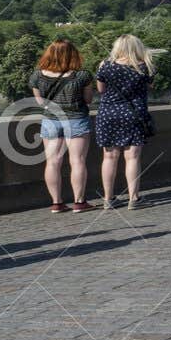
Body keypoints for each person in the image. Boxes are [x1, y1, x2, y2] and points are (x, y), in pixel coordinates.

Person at [30, 38, 96, 212]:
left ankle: (57, 203)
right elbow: (88, 100)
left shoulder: (37, 75)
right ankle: (79, 202)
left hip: (50, 120)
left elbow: (40, 102)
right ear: (73, 53)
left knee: (52, 162)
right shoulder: (82, 75)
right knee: (77, 161)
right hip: (76, 119)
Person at [95, 34, 154, 211]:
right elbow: (150, 86)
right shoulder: (144, 66)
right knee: (132, 157)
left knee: (109, 157)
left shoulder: (105, 65)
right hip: (133, 114)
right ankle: (134, 198)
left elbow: (100, 89)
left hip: (108, 114)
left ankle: (108, 198)